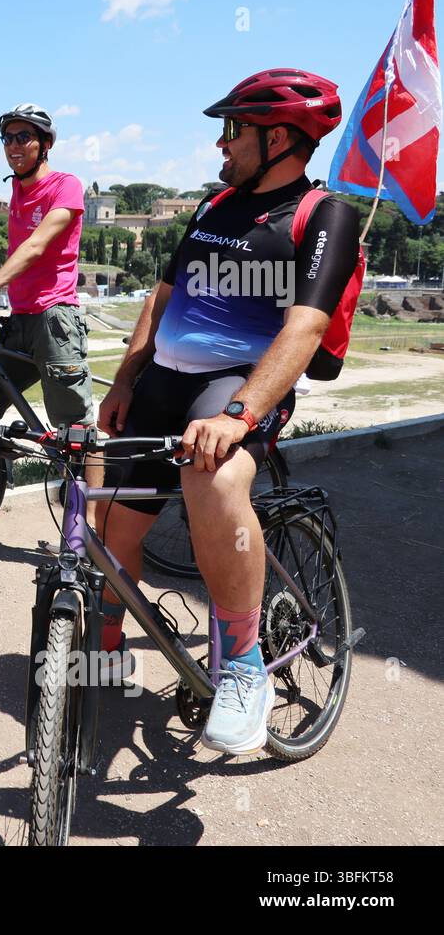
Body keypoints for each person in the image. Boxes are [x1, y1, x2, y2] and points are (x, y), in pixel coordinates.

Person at [96, 69, 359, 752]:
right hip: (162, 382)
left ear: (277, 138)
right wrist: (126, 380)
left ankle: (243, 666)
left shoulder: (324, 215)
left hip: (236, 386)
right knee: (110, 514)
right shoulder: (214, 207)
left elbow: (304, 328)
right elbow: (160, 297)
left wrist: (240, 414)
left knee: (212, 478)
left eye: (233, 130)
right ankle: (101, 640)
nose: (222, 143)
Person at [0, 103, 100, 504]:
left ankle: (89, 536)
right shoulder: (17, 187)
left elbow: (36, 247)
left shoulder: (65, 185)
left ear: (45, 144)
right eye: (8, 138)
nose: (14, 145)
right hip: (21, 320)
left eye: (24, 137)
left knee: (76, 435)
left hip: (55, 320)